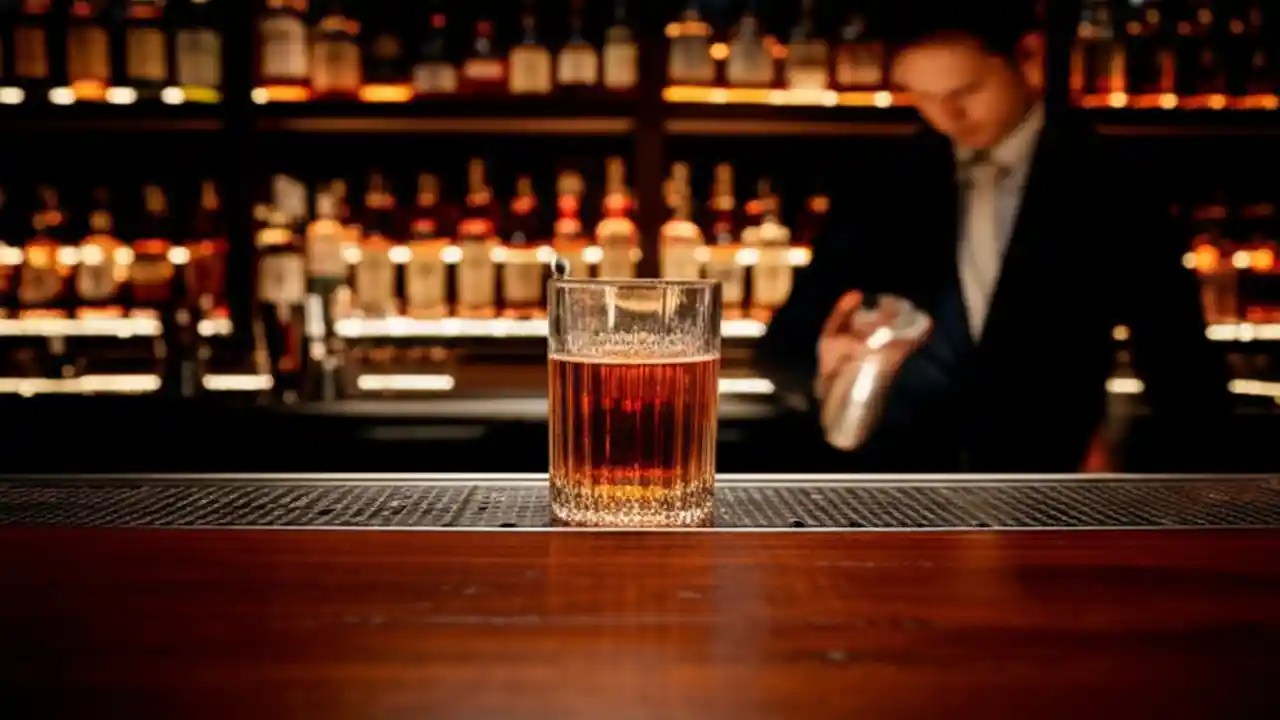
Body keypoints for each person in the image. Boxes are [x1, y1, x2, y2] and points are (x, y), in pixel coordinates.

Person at [758, 1, 1229, 473]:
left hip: (1047, 488)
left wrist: (1178, 495)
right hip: (898, 490)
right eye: (921, 95)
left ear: (1029, 58)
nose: (947, 116)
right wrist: (826, 365)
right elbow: (783, 350)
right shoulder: (884, 184)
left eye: (965, 90)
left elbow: (1180, 368)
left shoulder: (1110, 181)